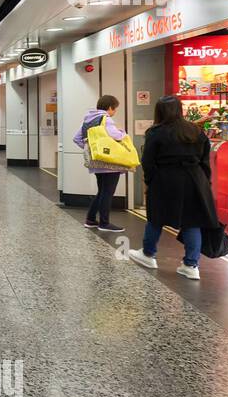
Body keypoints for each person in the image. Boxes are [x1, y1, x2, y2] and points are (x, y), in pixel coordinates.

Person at [129, 95, 218, 281]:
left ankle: (148, 255)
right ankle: (191, 265)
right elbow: (205, 160)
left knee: (156, 218)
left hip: (165, 180)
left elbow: (148, 162)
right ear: (180, 110)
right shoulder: (196, 131)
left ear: (159, 111)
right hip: (195, 180)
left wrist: (150, 181)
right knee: (192, 221)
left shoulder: (156, 132)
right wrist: (204, 183)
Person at [72, 95, 129, 233]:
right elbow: (117, 136)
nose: (114, 112)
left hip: (97, 162)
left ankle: (91, 219)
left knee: (102, 191)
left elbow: (77, 138)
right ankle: (104, 223)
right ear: (110, 107)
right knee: (108, 192)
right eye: (115, 109)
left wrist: (92, 151)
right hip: (109, 162)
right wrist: (123, 132)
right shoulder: (106, 119)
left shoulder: (88, 119)